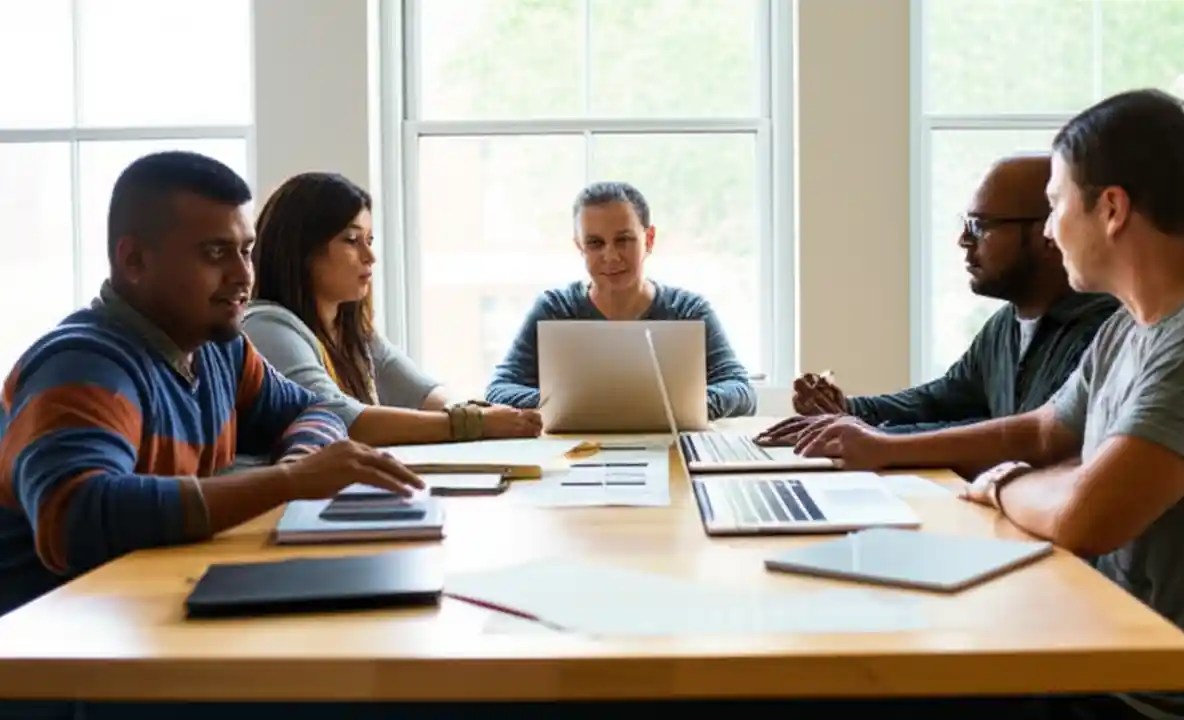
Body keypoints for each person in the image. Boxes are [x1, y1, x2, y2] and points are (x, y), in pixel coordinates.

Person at [792, 90, 1184, 719]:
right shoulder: (1130, 327)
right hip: (1101, 654)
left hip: (1178, 701)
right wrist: (885, 448)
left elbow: (1087, 515)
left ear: (1111, 209)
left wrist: (1001, 486)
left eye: (1054, 205)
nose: (1050, 230)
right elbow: (1045, 430)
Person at [0, 152, 424, 618]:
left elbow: (313, 411)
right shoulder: (83, 366)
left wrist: (302, 463)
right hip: (51, 653)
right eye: (216, 253)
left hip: (148, 616)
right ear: (134, 260)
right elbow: (76, 517)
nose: (243, 277)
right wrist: (289, 482)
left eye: (246, 251)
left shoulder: (220, 350)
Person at [760, 154, 1118, 447]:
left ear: (1048, 230)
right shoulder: (1004, 324)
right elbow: (942, 400)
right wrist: (848, 411)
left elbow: (1021, 439)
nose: (963, 240)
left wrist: (874, 438)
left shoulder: (1102, 330)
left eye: (980, 225)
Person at [244, 172, 541, 446]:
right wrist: (475, 424)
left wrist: (487, 417)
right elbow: (342, 419)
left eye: (369, 240)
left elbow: (424, 394)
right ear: (301, 248)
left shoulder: (351, 332)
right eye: (351, 240)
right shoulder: (266, 328)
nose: (370, 256)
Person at [485, 181, 757, 420]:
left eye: (624, 240)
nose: (611, 256)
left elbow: (741, 389)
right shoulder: (554, 309)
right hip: (575, 455)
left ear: (648, 240)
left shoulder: (688, 311)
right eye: (595, 243)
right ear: (580, 247)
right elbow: (499, 390)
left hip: (671, 452)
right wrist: (567, 406)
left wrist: (686, 406)